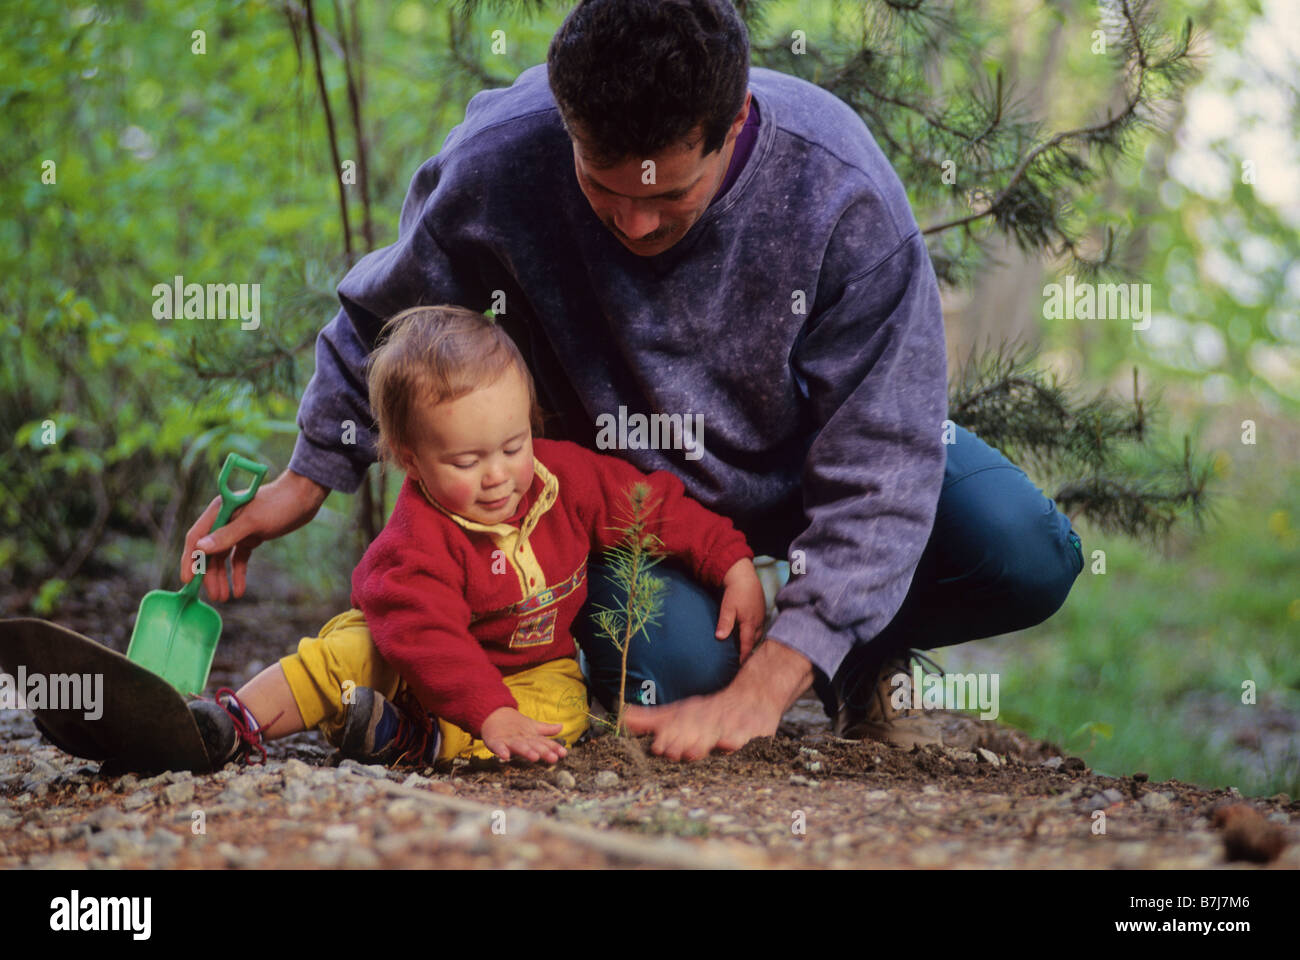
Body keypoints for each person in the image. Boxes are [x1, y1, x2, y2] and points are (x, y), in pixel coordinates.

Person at [182, 0, 1084, 762]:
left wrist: (775, 679)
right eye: (604, 188)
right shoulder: (502, 160)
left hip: (806, 475)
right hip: (624, 502)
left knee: (1024, 550)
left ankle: (851, 649)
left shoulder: (839, 192)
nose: (635, 223)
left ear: (734, 126)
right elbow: (385, 319)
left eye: (669, 197)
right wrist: (306, 478)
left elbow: (887, 456)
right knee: (676, 672)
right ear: (568, 124)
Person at [189, 305, 764, 768]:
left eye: (513, 447)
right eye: (466, 461)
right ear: (412, 461)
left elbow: (650, 505)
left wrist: (730, 561)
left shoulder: (562, 478)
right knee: (340, 655)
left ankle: (417, 740)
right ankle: (234, 722)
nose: (496, 476)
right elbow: (427, 636)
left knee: (562, 710)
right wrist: (487, 710)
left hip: (528, 666)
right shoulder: (419, 539)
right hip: (413, 656)